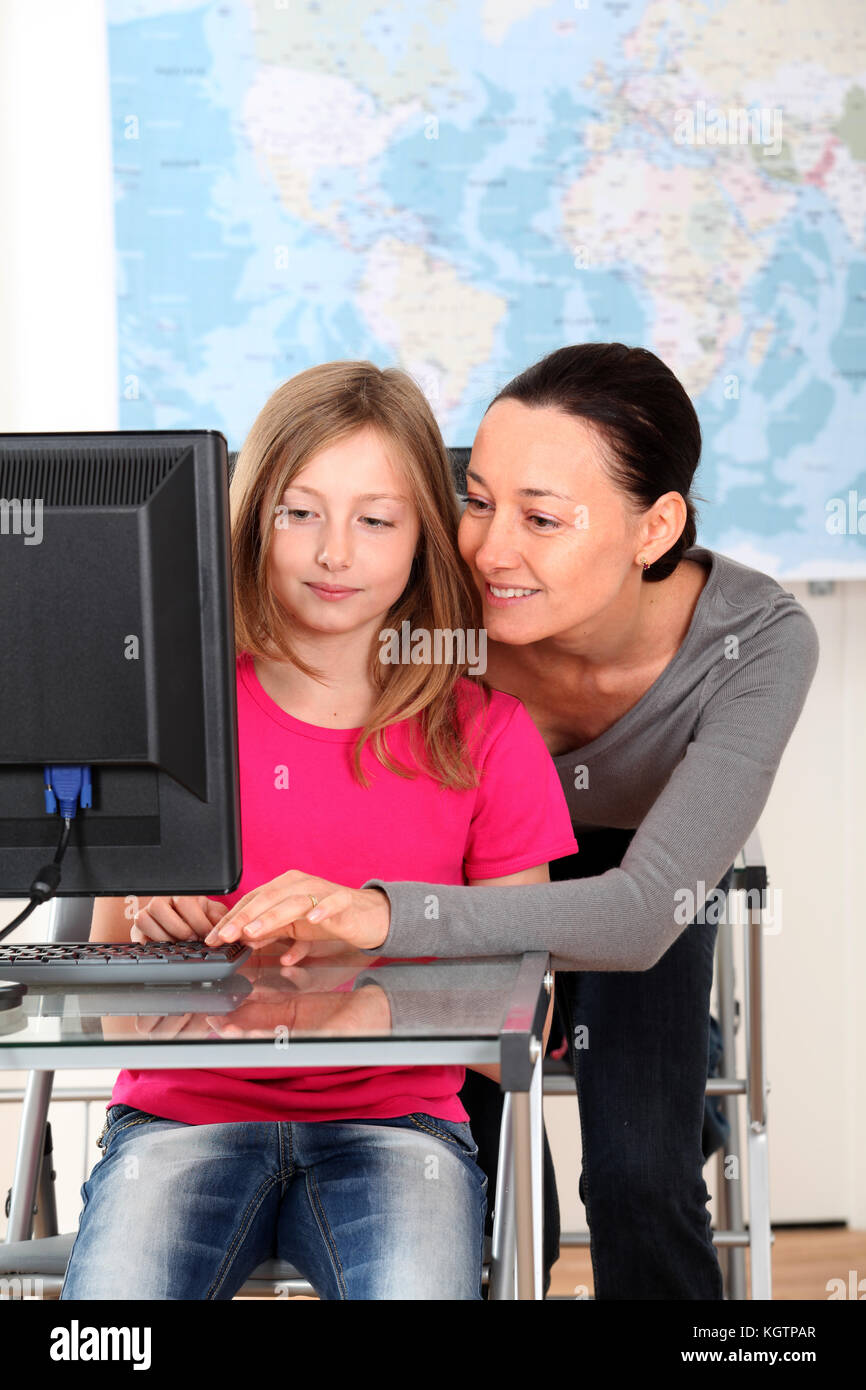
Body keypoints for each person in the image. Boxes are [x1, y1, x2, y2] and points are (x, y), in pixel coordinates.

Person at [210, 343, 820, 1300]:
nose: (492, 550)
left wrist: (386, 915)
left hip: (643, 879)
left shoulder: (757, 643)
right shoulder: (432, 583)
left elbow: (641, 911)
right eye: (477, 500)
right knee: (482, 1169)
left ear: (655, 527)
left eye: (541, 518)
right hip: (461, 857)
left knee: (638, 1173)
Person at [59, 361, 579, 1302]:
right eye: (300, 513)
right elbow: (113, 1017)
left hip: (395, 1133)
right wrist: (142, 931)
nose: (335, 553)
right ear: (252, 517)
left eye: (376, 521)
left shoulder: (487, 739)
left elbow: (522, 1018)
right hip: (181, 1123)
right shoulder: (165, 719)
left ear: (425, 538)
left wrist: (356, 1003)